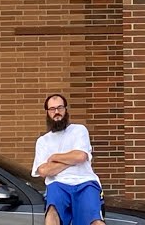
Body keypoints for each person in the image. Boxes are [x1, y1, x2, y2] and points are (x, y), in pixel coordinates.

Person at [32, 94, 105, 225]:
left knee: (95, 221)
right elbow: (43, 171)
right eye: (52, 109)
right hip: (58, 184)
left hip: (85, 182)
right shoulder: (43, 141)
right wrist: (71, 160)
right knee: (52, 212)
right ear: (47, 112)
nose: (56, 112)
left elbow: (81, 156)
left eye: (60, 108)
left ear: (66, 109)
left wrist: (54, 158)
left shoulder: (79, 130)